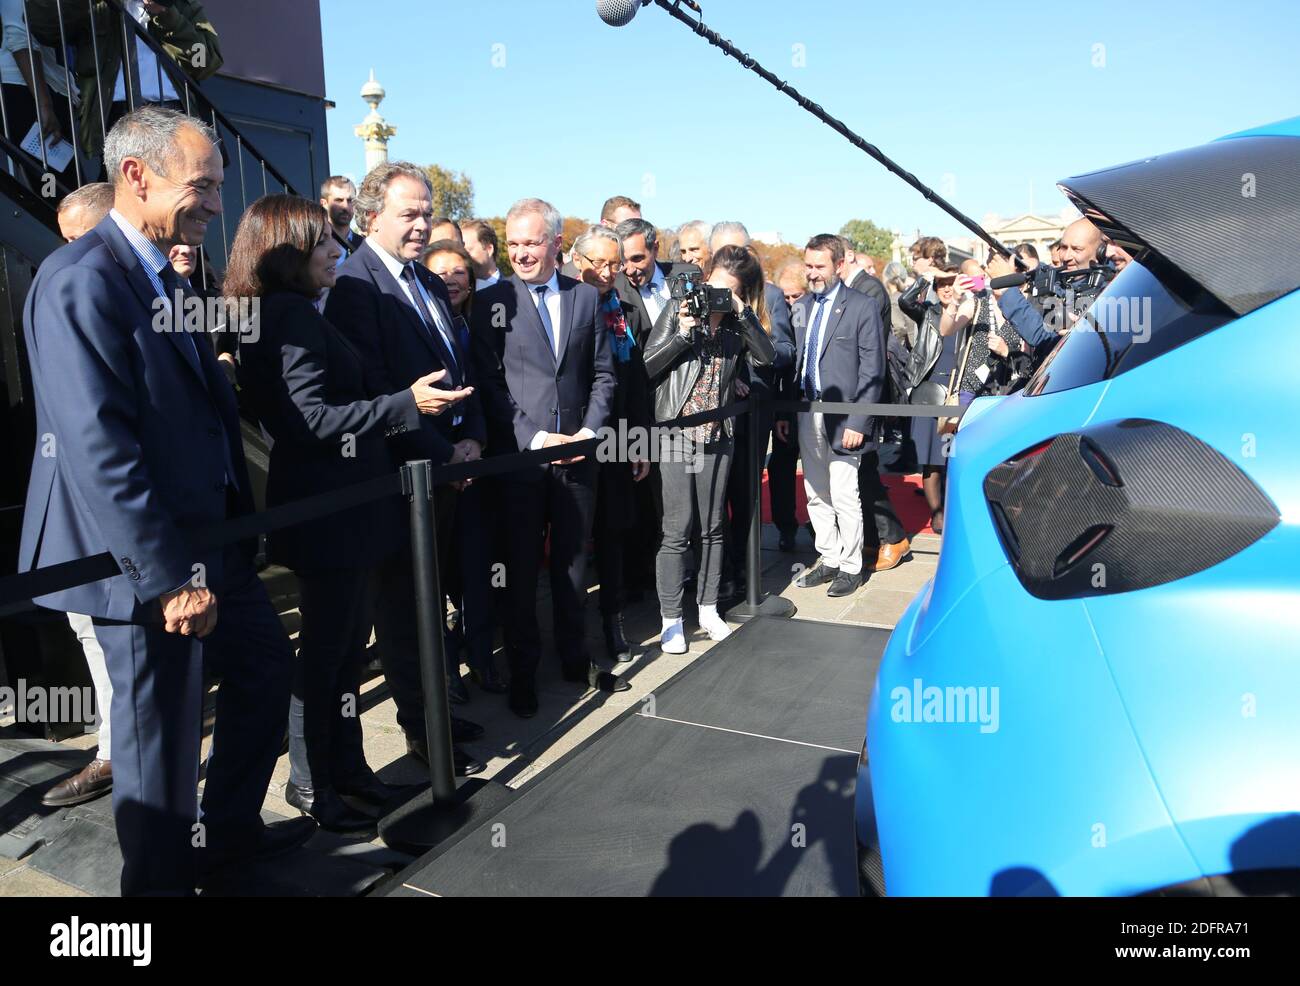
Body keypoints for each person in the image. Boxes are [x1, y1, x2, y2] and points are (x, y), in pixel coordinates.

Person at [18, 106, 310, 895]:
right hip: (143, 567)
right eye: (204, 186)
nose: (217, 203)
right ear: (137, 175)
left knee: (262, 672)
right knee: (158, 756)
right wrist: (169, 578)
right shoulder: (78, 281)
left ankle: (227, 836)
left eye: (218, 186)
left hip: (213, 547)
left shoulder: (162, 271)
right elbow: (99, 447)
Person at [233, 195, 465, 831]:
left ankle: (350, 771)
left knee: (344, 657)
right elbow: (306, 420)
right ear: (287, 253)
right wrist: (403, 404)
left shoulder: (291, 312)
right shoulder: (288, 315)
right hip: (329, 517)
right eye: (323, 243)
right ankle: (312, 785)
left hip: (343, 511)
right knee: (328, 657)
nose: (337, 251)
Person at [324, 161, 487, 773]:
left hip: (444, 473)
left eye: (426, 212)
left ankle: (436, 713)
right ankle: (421, 731)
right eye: (408, 213)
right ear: (372, 217)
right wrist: (443, 454)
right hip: (398, 481)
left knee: (430, 604)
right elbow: (373, 389)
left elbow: (459, 367)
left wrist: (468, 442)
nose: (422, 225)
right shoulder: (354, 286)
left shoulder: (425, 279)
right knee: (402, 611)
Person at [470, 197, 619, 718]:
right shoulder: (493, 300)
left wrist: (586, 433)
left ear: (557, 242)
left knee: (574, 565)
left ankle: (576, 659)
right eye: (513, 243)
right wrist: (533, 438)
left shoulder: (585, 299)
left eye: (531, 242)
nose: (521, 253)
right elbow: (489, 383)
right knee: (519, 569)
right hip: (521, 463)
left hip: (579, 458)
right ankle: (524, 671)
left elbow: (603, 374)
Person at [643, 244, 775, 651]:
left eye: (727, 291)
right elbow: (647, 366)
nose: (715, 296)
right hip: (677, 433)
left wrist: (743, 312)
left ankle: (708, 609)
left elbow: (767, 358)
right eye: (713, 286)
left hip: (719, 435)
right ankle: (670, 619)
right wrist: (683, 334)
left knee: (714, 528)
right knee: (676, 531)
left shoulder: (737, 325)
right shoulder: (678, 309)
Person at [420, 237, 507, 694]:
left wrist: (474, 442)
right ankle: (446, 667)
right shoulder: (413, 321)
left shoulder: (481, 324)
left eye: (460, 271)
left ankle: (481, 656)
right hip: (432, 465)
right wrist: (446, 453)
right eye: (441, 271)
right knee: (434, 576)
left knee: (477, 569)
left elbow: (479, 391)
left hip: (475, 467)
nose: (451, 279)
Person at [571, 225, 651, 663]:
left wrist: (638, 440)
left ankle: (613, 621)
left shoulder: (625, 310)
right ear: (576, 260)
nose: (605, 272)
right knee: (575, 539)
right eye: (595, 263)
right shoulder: (563, 302)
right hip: (574, 435)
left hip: (619, 437)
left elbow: (636, 381)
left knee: (613, 532)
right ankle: (574, 632)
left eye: (613, 264)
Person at [791, 234, 887, 597]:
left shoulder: (862, 306)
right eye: (809, 266)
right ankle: (828, 558)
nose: (813, 273)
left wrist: (858, 422)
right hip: (807, 411)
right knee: (816, 492)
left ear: (838, 266)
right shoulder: (802, 305)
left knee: (845, 493)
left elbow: (872, 370)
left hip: (845, 419)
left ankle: (850, 566)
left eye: (820, 266)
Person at [706, 221, 796, 597]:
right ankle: (719, 574)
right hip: (712, 413)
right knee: (712, 499)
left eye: (738, 254)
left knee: (744, 497)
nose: (731, 263)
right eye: (723, 255)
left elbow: (785, 352)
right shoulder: (700, 295)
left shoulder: (770, 297)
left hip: (751, 413)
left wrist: (749, 369)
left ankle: (744, 570)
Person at [35, 0, 223, 162]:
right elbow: (43, 26)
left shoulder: (179, 4)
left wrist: (166, 14)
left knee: (178, 188)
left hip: (173, 110)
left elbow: (205, 62)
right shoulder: (97, 6)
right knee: (125, 189)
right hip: (116, 112)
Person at [899, 251, 971, 534]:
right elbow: (905, 301)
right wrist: (926, 277)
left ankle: (953, 507)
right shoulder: (928, 313)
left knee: (952, 456)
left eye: (952, 283)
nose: (946, 289)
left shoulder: (969, 312)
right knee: (932, 460)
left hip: (958, 391)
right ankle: (937, 513)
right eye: (942, 285)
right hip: (930, 391)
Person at [1, 0, 80, 184]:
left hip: (37, 89)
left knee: (61, 186)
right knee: (57, 188)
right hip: (24, 91)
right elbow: (20, 36)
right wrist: (44, 105)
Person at [770, 260, 806, 551]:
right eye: (786, 297)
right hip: (785, 404)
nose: (791, 303)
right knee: (781, 468)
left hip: (812, 403)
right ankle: (786, 526)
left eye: (797, 296)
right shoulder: (777, 318)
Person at [320, 175, 364, 263]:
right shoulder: (316, 243)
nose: (345, 207)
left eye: (350, 200)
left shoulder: (365, 245)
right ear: (324, 203)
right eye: (339, 200)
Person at [461, 218, 502, 289]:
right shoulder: (459, 294)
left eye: (467, 251)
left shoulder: (514, 292)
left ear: (489, 249)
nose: (462, 256)